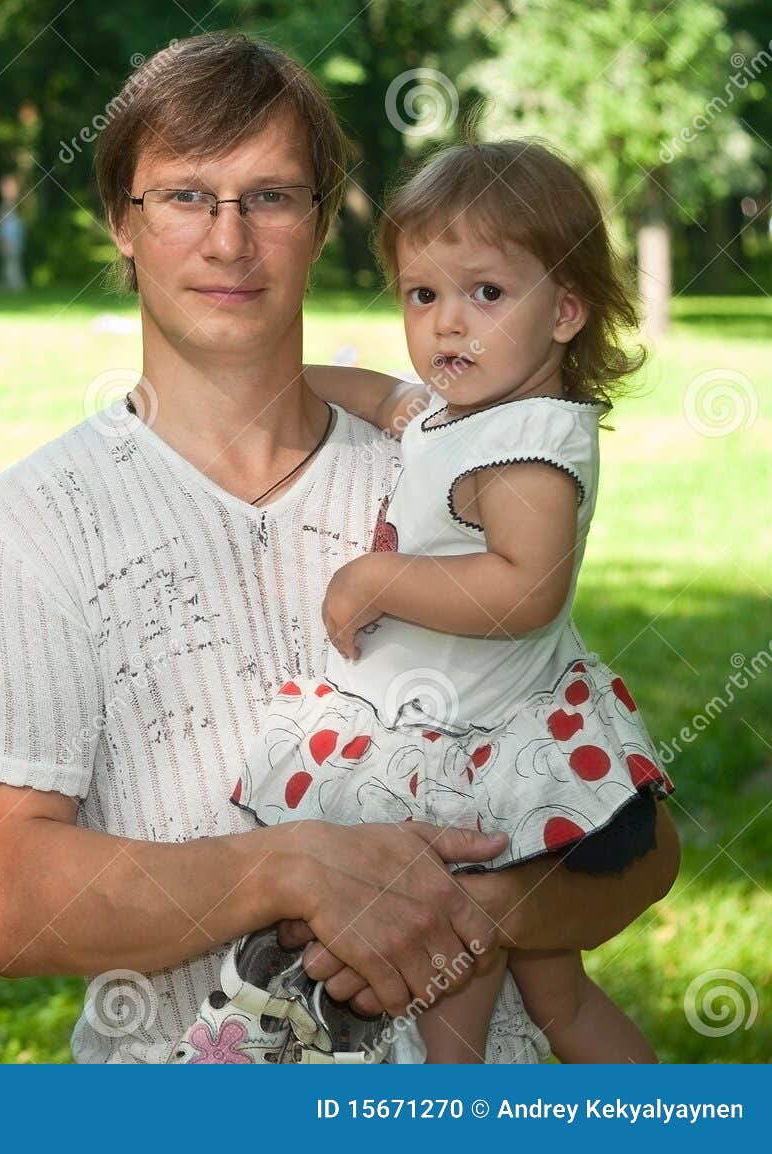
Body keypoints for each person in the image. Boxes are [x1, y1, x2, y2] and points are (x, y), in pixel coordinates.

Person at [0, 33, 678, 1064]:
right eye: (185, 196)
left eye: (271, 197)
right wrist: (289, 869)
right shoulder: (30, 525)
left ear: (323, 222)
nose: (228, 240)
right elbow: (12, 900)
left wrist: (465, 906)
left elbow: (640, 846)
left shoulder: (442, 469)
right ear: (122, 222)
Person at [214, 139, 671, 1064]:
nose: (448, 323)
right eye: (424, 295)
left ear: (566, 311)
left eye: (486, 294)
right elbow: (385, 398)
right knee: (555, 993)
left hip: (479, 755)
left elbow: (526, 588)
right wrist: (277, 385)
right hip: (473, 730)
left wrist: (378, 579)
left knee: (448, 992)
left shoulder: (527, 452)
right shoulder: (463, 414)